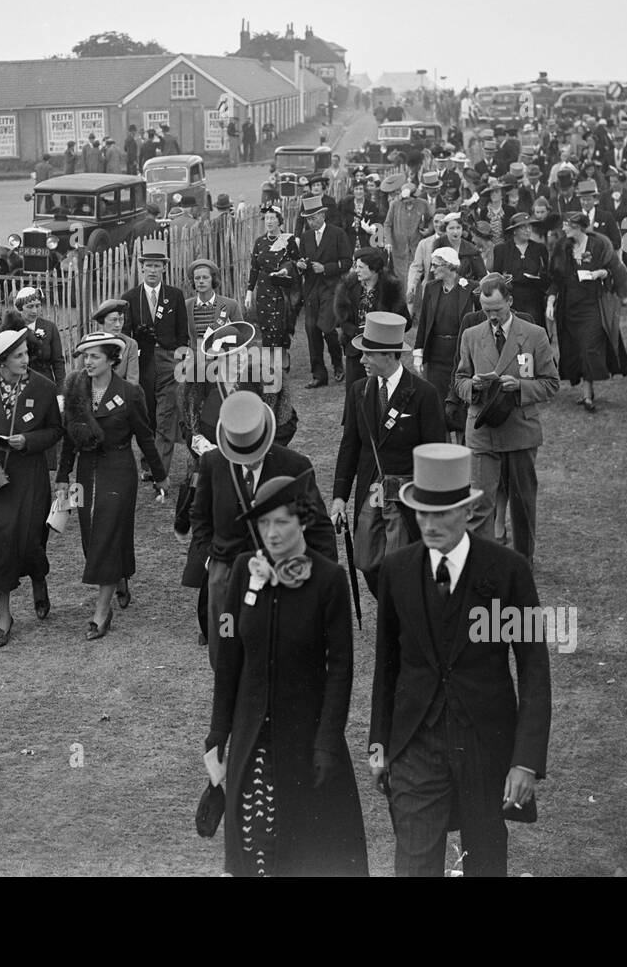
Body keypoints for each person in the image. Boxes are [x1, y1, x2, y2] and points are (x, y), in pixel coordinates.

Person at [369, 443, 552, 877]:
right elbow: (387, 667)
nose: (429, 524)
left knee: (485, 863)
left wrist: (525, 760)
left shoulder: (509, 572)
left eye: (441, 513)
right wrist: (379, 741)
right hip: (416, 744)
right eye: (422, 513)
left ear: (468, 512)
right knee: (413, 864)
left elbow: (534, 671)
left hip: (485, 746)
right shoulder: (395, 571)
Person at [206, 470, 368, 877]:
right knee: (255, 851)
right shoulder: (244, 570)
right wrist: (217, 733)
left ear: (302, 521)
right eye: (264, 524)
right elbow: (228, 661)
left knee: (309, 853)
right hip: (251, 741)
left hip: (307, 744)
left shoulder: (330, 580)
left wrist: (328, 740)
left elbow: (341, 668)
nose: (272, 533)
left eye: (281, 522)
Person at [190, 385, 332, 661]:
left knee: (277, 655)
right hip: (227, 578)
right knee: (225, 652)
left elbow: (317, 527)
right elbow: (200, 516)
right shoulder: (213, 464)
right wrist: (211, 559)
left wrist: (323, 582)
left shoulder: (295, 466)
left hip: (278, 577)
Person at [56, 332, 168, 639]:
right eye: (85, 357)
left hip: (119, 469)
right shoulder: (75, 389)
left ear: (111, 359)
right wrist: (63, 477)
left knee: (106, 531)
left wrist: (160, 475)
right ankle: (117, 574)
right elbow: (69, 438)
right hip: (86, 470)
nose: (88, 362)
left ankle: (102, 612)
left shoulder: (130, 393)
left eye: (95, 356)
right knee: (91, 534)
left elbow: (145, 437)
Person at [332, 312, 448, 598]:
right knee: (367, 560)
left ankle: (400, 622)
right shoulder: (358, 391)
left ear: (389, 355)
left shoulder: (423, 393)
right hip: (371, 493)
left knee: (403, 566)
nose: (362, 361)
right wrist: (339, 497)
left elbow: (435, 454)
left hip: (407, 498)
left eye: (368, 355)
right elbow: (350, 446)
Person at [0, 328, 64, 645]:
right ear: (2, 361)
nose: (26, 359)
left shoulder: (43, 387)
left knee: (31, 536)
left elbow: (55, 431)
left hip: (30, 473)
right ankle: (4, 617)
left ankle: (38, 578)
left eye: (27, 353)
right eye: (18, 355)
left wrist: (29, 440)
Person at [454, 274, 559, 560]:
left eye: (497, 310)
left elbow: (551, 383)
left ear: (510, 302)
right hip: (483, 431)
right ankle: (482, 565)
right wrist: (472, 388)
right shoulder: (471, 335)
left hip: (520, 431)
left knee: (523, 505)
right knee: (479, 505)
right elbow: (459, 380)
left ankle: (523, 564)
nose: (492, 316)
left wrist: (520, 387)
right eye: (486, 310)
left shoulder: (534, 334)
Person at [549, 212, 627, 413]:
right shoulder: (562, 246)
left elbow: (615, 270)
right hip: (569, 306)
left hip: (593, 305)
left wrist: (601, 273)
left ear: (579, 227)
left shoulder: (599, 245)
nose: (565, 228)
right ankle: (588, 388)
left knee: (589, 346)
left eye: (568, 225)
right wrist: (550, 301)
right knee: (577, 349)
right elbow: (555, 279)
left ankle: (587, 396)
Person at [121, 239, 189, 483]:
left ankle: (159, 469)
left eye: (156, 265)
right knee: (147, 414)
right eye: (148, 265)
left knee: (166, 415)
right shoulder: (130, 298)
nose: (152, 270)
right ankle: (148, 462)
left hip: (169, 361)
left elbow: (183, 335)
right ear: (142, 268)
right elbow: (125, 336)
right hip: (142, 363)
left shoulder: (175, 296)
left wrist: (179, 361)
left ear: (164, 268)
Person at [413, 246, 475, 436]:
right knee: (439, 407)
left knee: (462, 404)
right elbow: (423, 322)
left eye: (436, 265)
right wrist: (418, 352)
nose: (431, 269)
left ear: (449, 266)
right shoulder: (431, 288)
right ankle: (444, 451)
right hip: (437, 355)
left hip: (461, 355)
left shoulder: (470, 288)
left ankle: (464, 451)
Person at [335, 247, 411, 390]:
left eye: (360, 267)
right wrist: (356, 332)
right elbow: (342, 320)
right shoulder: (348, 287)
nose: (356, 270)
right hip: (355, 350)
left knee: (380, 394)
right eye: (355, 266)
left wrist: (380, 332)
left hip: (382, 354)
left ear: (374, 268)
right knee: (355, 393)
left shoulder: (391, 290)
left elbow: (405, 323)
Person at [297, 194, 352, 388]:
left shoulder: (337, 234)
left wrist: (326, 268)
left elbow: (347, 261)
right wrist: (301, 265)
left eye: (313, 218)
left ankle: (338, 365)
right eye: (307, 219)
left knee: (327, 328)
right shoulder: (305, 237)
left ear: (322, 215)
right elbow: (302, 259)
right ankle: (319, 375)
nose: (311, 222)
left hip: (332, 288)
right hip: (311, 289)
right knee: (311, 330)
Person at [245, 206, 301, 352]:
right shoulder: (259, 242)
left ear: (279, 220)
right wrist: (249, 292)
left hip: (281, 290)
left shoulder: (288, 240)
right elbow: (254, 268)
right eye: (267, 218)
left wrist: (285, 269)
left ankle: (280, 363)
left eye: (273, 218)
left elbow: (297, 263)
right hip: (263, 289)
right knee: (266, 327)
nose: (269, 221)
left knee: (279, 327)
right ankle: (268, 367)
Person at [490, 213, 550, 324]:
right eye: (523, 227)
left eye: (529, 227)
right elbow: (496, 276)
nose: (528, 230)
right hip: (511, 299)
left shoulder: (539, 248)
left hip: (534, 298)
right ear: (514, 231)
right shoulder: (502, 250)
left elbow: (547, 273)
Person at [11, 285, 66, 389]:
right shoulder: (13, 329)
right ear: (19, 308)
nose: (35, 311)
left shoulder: (49, 328)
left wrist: (61, 392)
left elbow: (58, 362)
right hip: (20, 386)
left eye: (38, 306)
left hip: (45, 386)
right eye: (30, 306)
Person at [187, 258, 244, 345]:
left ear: (213, 279)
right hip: (193, 355)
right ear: (193, 281)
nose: (201, 281)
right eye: (197, 278)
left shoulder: (230, 305)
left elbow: (241, 334)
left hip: (223, 355)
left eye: (205, 277)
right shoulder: (185, 305)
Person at [93, 297, 140, 384]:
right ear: (102, 321)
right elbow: (80, 377)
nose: (118, 325)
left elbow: (132, 381)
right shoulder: (89, 342)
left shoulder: (130, 345)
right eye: (113, 320)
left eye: (121, 320)